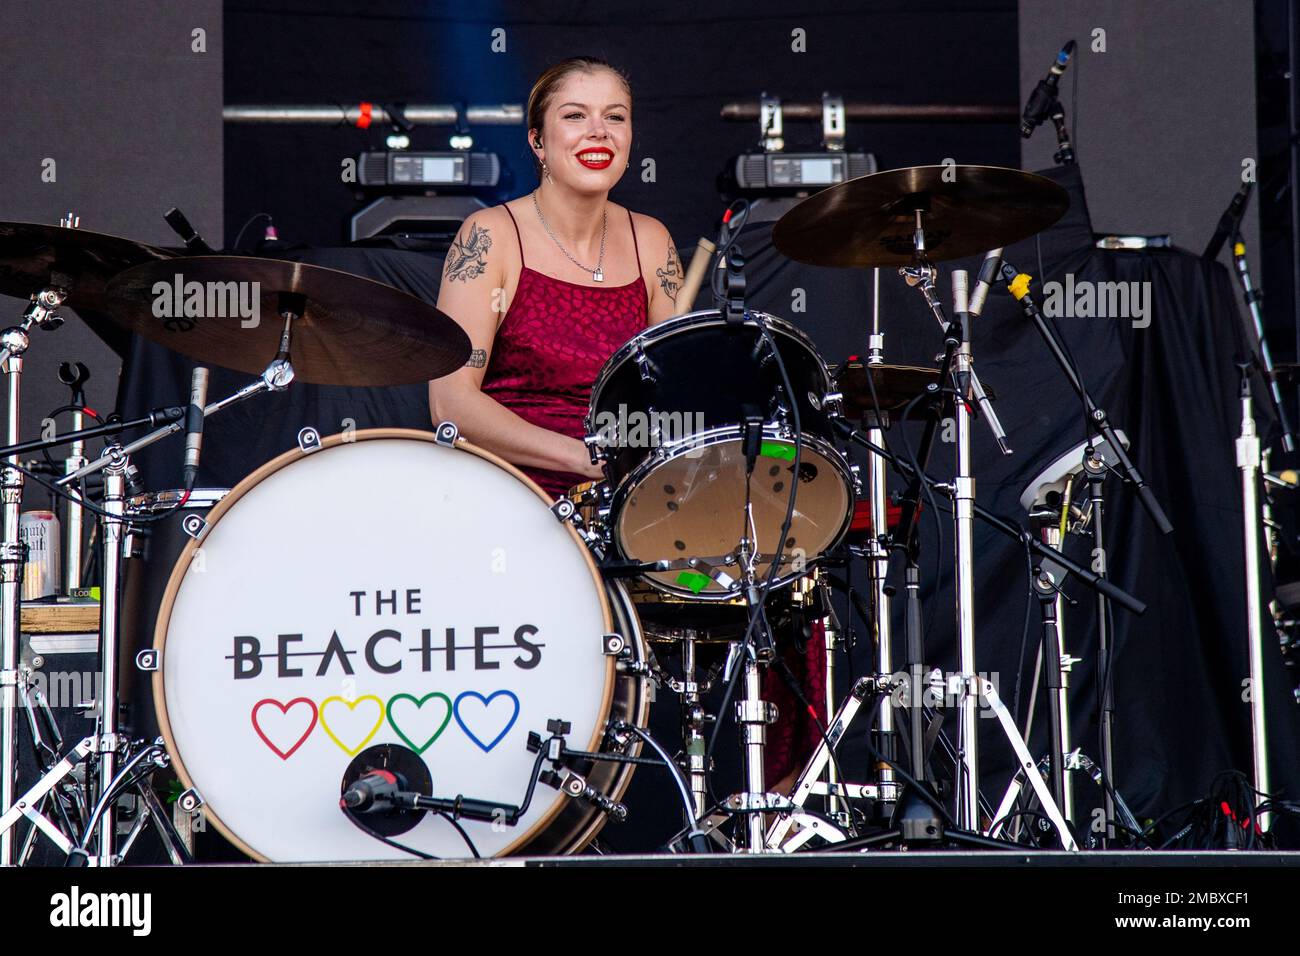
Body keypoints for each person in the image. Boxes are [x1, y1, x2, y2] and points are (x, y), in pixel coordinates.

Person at [429, 56, 682, 498]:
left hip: (622, 502)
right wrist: (583, 459)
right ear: (538, 142)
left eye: (615, 117)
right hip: (510, 494)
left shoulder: (653, 241)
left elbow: (670, 393)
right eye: (575, 115)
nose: (599, 130)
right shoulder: (490, 235)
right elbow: (451, 403)